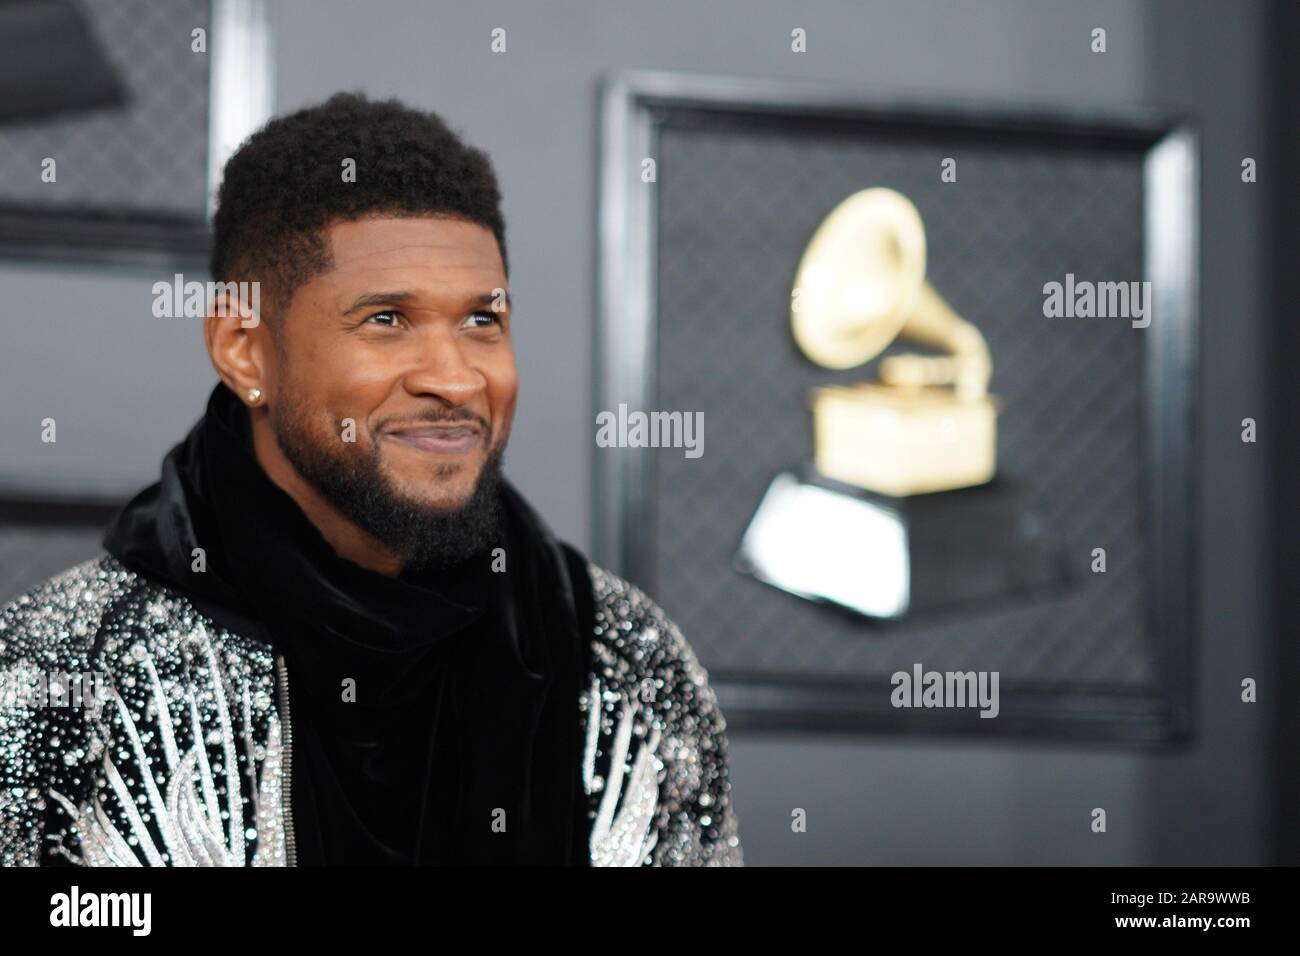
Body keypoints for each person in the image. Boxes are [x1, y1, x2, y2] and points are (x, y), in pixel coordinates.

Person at [0, 92, 742, 867]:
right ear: (246, 350)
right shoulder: (65, 672)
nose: (455, 379)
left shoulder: (622, 658)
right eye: (386, 319)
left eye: (481, 321)